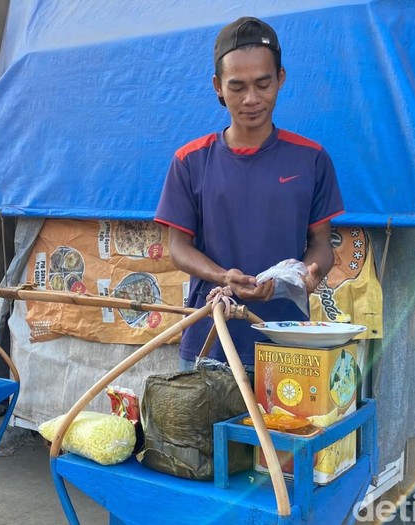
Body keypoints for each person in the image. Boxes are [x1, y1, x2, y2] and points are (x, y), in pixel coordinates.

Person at [154, 16, 344, 370]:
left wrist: (314, 269)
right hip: (210, 339)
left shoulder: (311, 158)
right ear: (217, 86)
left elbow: (321, 242)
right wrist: (223, 276)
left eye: (263, 84)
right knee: (202, 427)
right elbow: (178, 248)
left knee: (282, 427)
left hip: (286, 339)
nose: (251, 99)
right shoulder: (190, 160)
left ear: (281, 79)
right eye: (237, 87)